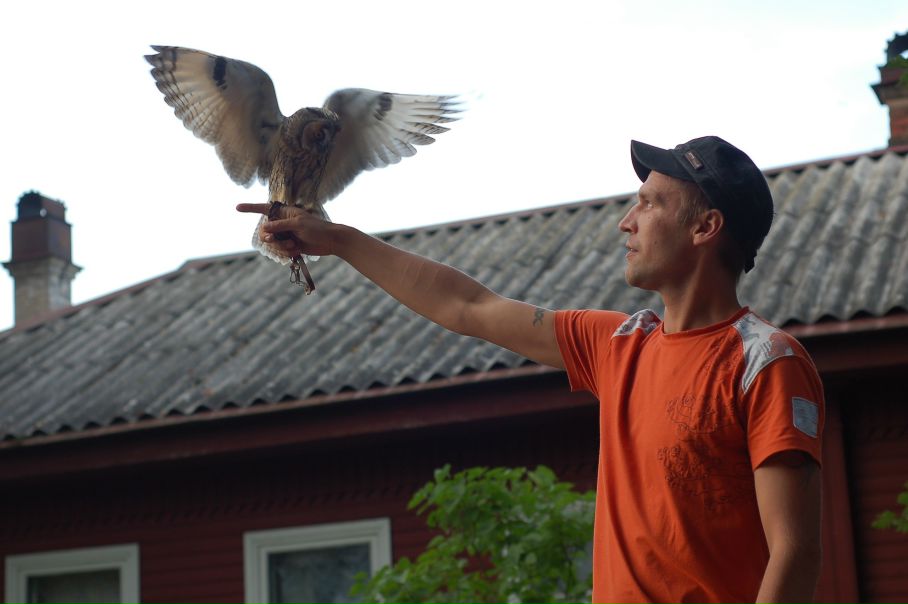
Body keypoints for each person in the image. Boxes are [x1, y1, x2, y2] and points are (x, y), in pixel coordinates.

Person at [237, 135, 824, 604]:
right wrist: (338, 239)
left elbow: (795, 553)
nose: (627, 221)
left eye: (649, 204)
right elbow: (468, 306)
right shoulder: (620, 346)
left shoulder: (765, 362)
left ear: (705, 228)